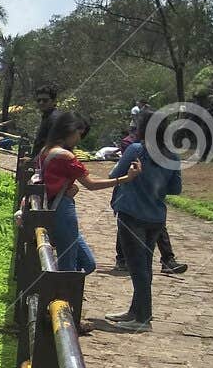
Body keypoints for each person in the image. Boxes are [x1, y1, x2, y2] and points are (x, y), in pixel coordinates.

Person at [105, 109, 183, 332]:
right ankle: (135, 310)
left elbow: (114, 176)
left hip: (132, 215)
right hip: (156, 217)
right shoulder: (173, 155)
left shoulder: (137, 149)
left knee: (137, 268)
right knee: (145, 265)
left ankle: (143, 317)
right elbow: (176, 189)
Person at [38, 110, 138, 276]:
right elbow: (91, 184)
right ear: (68, 130)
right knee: (68, 264)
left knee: (87, 263)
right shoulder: (66, 156)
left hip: (56, 206)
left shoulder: (46, 151)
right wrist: (126, 178)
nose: (79, 139)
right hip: (63, 209)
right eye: (78, 133)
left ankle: (66, 291)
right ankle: (66, 294)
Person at [29, 84, 58, 156]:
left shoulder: (54, 119)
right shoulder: (46, 117)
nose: (41, 103)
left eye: (45, 100)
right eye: (38, 100)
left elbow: (52, 146)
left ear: (54, 101)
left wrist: (34, 160)